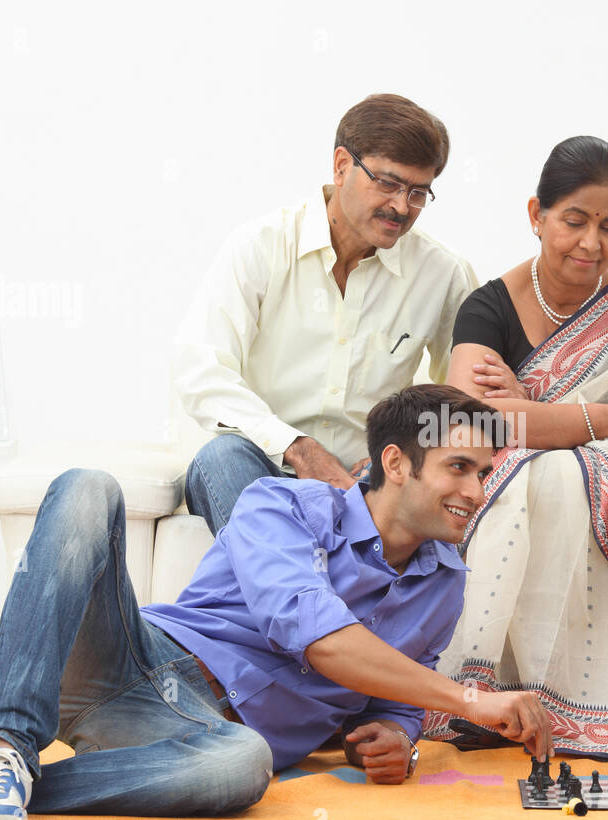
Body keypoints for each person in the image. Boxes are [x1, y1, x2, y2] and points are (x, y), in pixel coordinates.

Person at [0, 385, 553, 820]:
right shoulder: (286, 505)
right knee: (87, 488)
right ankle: (1, 746)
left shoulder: (443, 580)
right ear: (396, 464)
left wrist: (395, 732)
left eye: (485, 474)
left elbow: (398, 686)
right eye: (460, 467)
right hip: (138, 656)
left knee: (244, 766)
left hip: (202, 735)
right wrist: (474, 702)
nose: (475, 489)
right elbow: (319, 637)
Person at [421, 136, 608, 759]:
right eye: (574, 221)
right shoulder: (489, 305)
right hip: (502, 478)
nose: (591, 243)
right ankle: (487, 699)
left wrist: (535, 415)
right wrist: (603, 418)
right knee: (537, 476)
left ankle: (591, 713)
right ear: (536, 215)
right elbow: (475, 424)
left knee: (568, 475)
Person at [176, 93, 477, 533]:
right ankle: (322, 584)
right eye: (388, 183)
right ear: (341, 165)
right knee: (220, 458)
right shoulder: (261, 246)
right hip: (259, 463)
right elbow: (201, 370)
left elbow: (462, 405)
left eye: (417, 193)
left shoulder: (443, 275)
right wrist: (298, 448)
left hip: (368, 483)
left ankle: (293, 590)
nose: (400, 207)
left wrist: (397, 458)